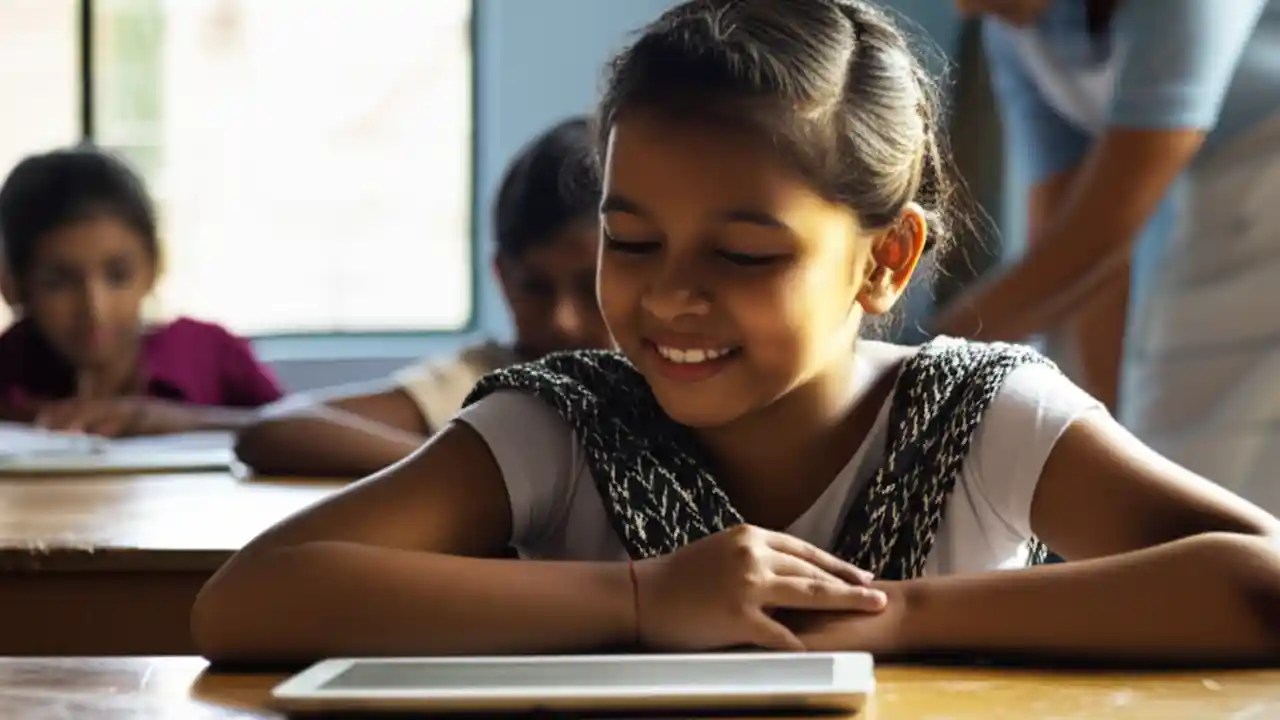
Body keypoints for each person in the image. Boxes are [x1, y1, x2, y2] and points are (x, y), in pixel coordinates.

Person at [193, 0, 1280, 664]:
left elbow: (1257, 579)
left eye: (743, 255)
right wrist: (641, 597)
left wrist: (899, 618)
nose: (668, 299)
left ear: (885, 259)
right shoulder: (559, 424)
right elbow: (249, 602)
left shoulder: (982, 412)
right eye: (630, 241)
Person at [941, 0, 1280, 510]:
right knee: (1167, 451)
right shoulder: (1014, 34)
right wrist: (1114, 433)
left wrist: (925, 350)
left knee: (1220, 480)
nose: (963, 10)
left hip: (1264, 183)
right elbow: (1065, 264)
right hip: (1214, 204)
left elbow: (1098, 236)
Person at [232, 118, 611, 477]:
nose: (564, 320)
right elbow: (273, 429)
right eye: (535, 288)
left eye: (589, 287)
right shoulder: (483, 381)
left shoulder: (662, 383)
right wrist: (476, 474)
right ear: (501, 277)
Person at [0, 146, 282, 436]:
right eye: (58, 282)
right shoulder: (8, 368)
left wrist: (178, 420)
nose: (94, 307)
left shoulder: (209, 353)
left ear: (154, 266)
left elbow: (301, 427)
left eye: (118, 276)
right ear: (12, 285)